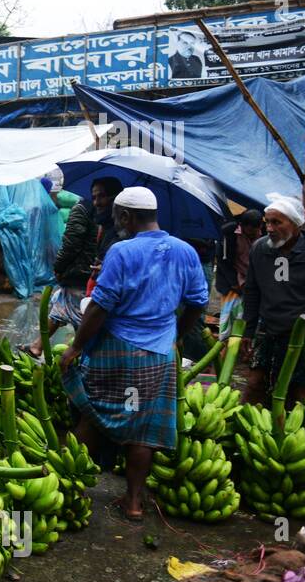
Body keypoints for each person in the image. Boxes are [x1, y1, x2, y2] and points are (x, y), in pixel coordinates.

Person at [60, 187, 209, 520]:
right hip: (158, 354)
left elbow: (100, 306)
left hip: (117, 348)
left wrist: (76, 346)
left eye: (117, 217)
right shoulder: (185, 251)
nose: (116, 223)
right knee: (145, 430)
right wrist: (176, 335)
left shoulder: (121, 251)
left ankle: (67, 486)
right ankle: (134, 503)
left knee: (94, 416)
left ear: (125, 216)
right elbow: (198, 302)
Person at [240, 194, 305, 405]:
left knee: (299, 394)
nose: (270, 228)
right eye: (267, 222)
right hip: (269, 331)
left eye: (276, 222)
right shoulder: (260, 249)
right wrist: (248, 330)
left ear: (296, 224)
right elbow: (252, 292)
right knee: (254, 385)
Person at [27, 177, 123, 358]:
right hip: (87, 275)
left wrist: (60, 267)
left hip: (86, 275)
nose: (97, 202)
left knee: (85, 316)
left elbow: (71, 243)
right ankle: (39, 346)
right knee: (62, 303)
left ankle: (78, 353)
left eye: (102, 197)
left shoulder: (114, 224)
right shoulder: (98, 216)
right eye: (94, 197)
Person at [215, 209, 263, 338]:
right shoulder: (229, 233)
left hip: (254, 281)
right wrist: (234, 284)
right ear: (242, 226)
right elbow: (223, 261)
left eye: (257, 230)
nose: (254, 234)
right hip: (233, 283)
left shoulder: (265, 236)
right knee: (231, 316)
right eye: (251, 231)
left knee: (250, 318)